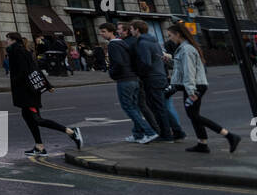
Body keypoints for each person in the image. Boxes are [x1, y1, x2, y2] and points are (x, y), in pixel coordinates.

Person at [166, 23, 239, 154]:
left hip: (195, 86)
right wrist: (168, 60)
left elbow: (189, 72)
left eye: (170, 35)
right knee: (193, 115)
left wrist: (190, 91)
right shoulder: (184, 48)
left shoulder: (186, 49)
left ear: (178, 34)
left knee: (194, 115)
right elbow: (182, 67)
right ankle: (202, 144)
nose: (169, 38)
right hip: (194, 85)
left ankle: (230, 136)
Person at [6, 32, 82, 156]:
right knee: (29, 119)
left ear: (13, 40)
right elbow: (35, 69)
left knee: (37, 119)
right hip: (25, 91)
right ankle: (39, 146)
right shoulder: (18, 51)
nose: (6, 42)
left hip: (27, 92)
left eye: (7, 39)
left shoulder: (18, 52)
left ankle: (71, 132)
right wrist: (47, 84)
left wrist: (16, 81)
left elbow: (28, 71)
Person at [99, 23, 157, 143]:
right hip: (134, 78)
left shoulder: (113, 45)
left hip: (124, 80)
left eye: (104, 31)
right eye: (101, 32)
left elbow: (118, 63)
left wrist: (112, 73)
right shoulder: (123, 43)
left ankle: (150, 132)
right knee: (134, 108)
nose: (101, 34)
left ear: (111, 32)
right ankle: (138, 134)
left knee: (128, 108)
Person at [130, 19, 184, 142]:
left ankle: (166, 135)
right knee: (161, 107)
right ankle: (177, 131)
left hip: (152, 78)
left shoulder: (142, 43)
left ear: (137, 30)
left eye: (132, 29)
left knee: (158, 108)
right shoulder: (154, 42)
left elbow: (146, 62)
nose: (131, 31)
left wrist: (139, 73)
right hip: (159, 76)